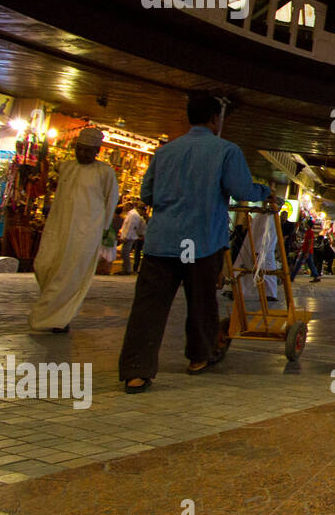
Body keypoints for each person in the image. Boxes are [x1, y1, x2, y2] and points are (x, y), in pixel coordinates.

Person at [118, 95, 275, 392]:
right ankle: (199, 357)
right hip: (202, 242)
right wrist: (264, 191)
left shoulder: (164, 152)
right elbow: (242, 189)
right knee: (202, 303)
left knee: (148, 308)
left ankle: (136, 371)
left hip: (160, 242)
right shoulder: (226, 150)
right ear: (215, 119)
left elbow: (147, 194)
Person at [29, 126, 119, 333]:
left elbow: (110, 200)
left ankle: (59, 318)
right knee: (44, 265)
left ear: (97, 151)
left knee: (69, 274)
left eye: (88, 151)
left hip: (86, 232)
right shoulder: (66, 167)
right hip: (58, 227)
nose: (83, 154)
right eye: (80, 149)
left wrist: (104, 231)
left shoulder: (105, 172)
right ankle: (57, 311)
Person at [118, 202, 146, 275]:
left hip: (129, 236)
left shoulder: (133, 215)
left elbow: (131, 226)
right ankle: (126, 268)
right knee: (124, 252)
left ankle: (127, 269)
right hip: (129, 236)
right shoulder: (131, 214)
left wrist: (125, 236)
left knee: (125, 253)